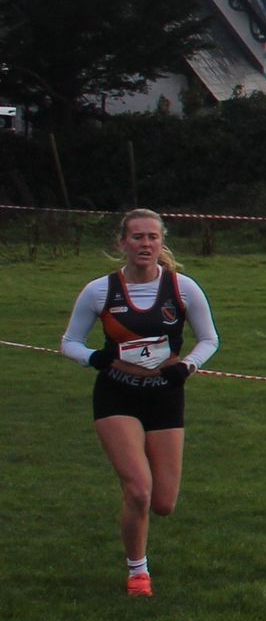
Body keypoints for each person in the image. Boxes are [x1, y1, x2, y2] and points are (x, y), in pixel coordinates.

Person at [59, 209, 220, 596]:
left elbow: (209, 339)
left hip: (165, 396)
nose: (145, 245)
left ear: (161, 242)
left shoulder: (183, 288)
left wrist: (187, 367)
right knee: (139, 490)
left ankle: (136, 503)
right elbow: (70, 343)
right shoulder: (100, 290)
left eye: (152, 237)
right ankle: (138, 572)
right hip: (117, 393)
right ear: (122, 243)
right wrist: (94, 358)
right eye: (137, 237)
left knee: (162, 502)